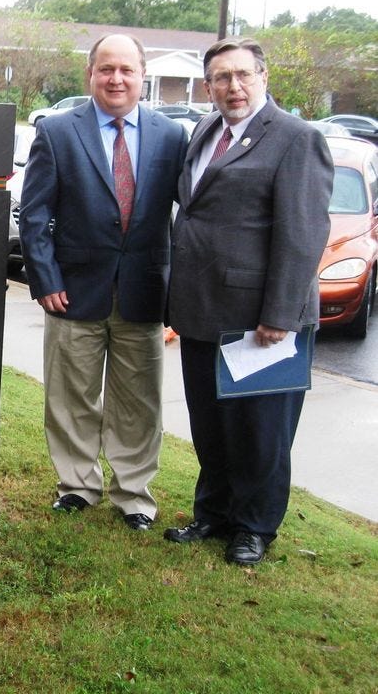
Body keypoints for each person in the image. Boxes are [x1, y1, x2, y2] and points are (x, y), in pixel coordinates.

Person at [164, 37, 333, 565]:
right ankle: (213, 514)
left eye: (243, 75)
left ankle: (254, 527)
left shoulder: (296, 138)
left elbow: (302, 233)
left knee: (260, 431)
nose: (233, 86)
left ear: (263, 77)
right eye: (221, 77)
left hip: (261, 317)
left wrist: (279, 314)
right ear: (208, 86)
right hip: (202, 310)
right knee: (210, 425)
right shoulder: (206, 130)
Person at [19, 34, 187, 530]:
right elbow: (34, 214)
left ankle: (133, 495)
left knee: (139, 401)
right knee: (71, 396)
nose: (117, 79)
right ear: (90, 74)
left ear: (143, 76)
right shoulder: (57, 132)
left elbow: (191, 215)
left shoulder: (171, 136)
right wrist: (44, 278)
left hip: (144, 291)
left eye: (127, 70)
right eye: (106, 69)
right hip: (72, 291)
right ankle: (77, 486)